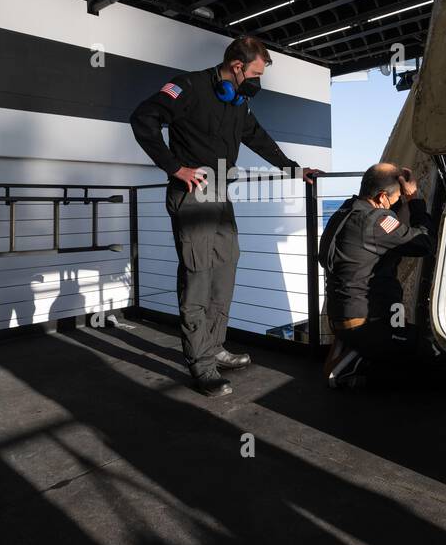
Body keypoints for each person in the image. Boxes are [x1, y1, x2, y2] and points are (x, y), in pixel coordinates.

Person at [130, 35, 319, 397]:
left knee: (225, 271)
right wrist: (175, 168)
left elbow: (257, 137)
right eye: (255, 72)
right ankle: (200, 364)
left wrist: (292, 168)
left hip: (220, 193)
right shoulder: (187, 86)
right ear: (237, 67)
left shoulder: (238, 101)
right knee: (198, 276)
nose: (258, 80)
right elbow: (143, 119)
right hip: (193, 194)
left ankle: (215, 347)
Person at [319, 162, 446, 391]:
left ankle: (358, 350)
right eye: (397, 197)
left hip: (342, 318)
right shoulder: (377, 221)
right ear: (382, 196)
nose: (398, 202)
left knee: (410, 345)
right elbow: (425, 244)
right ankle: (356, 367)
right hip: (368, 324)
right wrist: (415, 201)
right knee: (445, 369)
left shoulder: (343, 212)